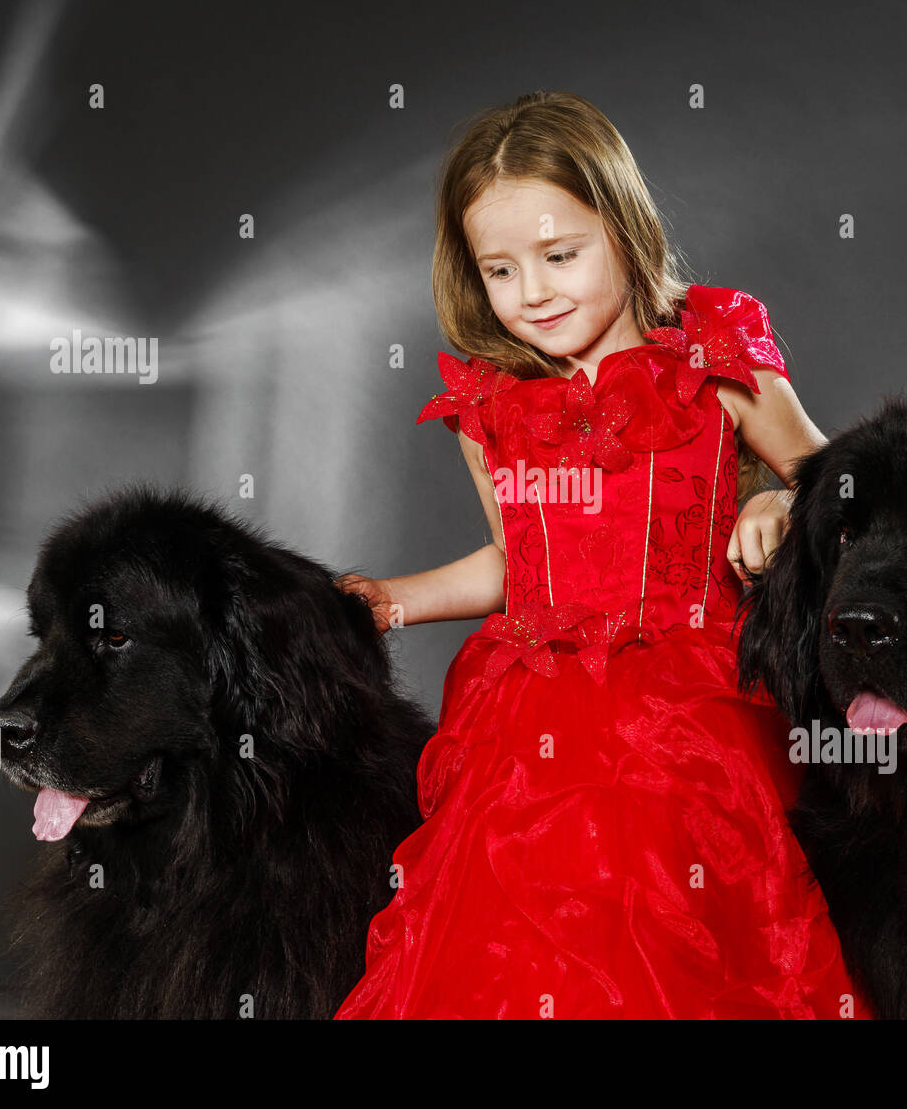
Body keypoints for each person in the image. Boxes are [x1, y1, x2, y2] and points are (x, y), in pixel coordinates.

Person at [334, 90, 871, 1019]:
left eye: (559, 255)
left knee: (678, 930)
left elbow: (854, 494)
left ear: (624, 230)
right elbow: (517, 567)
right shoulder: (492, 407)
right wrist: (392, 598)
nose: (532, 292)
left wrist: (780, 500)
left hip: (694, 710)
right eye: (499, 270)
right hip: (527, 719)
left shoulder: (714, 359)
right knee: (512, 948)